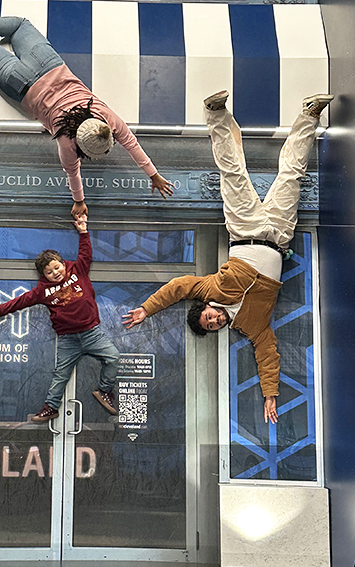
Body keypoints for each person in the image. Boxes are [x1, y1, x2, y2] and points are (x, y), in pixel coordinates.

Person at [123, 89, 334, 425]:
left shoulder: (210, 290)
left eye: (209, 319)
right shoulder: (251, 326)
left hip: (244, 229)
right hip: (279, 235)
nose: (216, 321)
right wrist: (270, 395)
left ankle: (216, 113)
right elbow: (268, 355)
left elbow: (178, 286)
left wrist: (147, 309)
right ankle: (310, 114)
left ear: (204, 308)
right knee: (292, 176)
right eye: (214, 326)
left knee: (233, 174)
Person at [0, 8, 174, 218]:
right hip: (19, 84)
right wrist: (79, 201)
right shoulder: (67, 141)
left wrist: (154, 174)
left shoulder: (105, 117)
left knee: (20, 25)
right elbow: (72, 172)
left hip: (47, 64)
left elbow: (131, 143)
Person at [0, 214, 119, 422]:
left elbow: (86, 252)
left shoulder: (78, 269)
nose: (55, 273)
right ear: (43, 275)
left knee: (113, 357)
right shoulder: (42, 291)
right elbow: (21, 301)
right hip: (68, 340)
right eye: (49, 272)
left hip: (92, 333)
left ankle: (104, 390)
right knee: (60, 375)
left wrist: (83, 231)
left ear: (63, 264)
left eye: (57, 267)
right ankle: (51, 407)